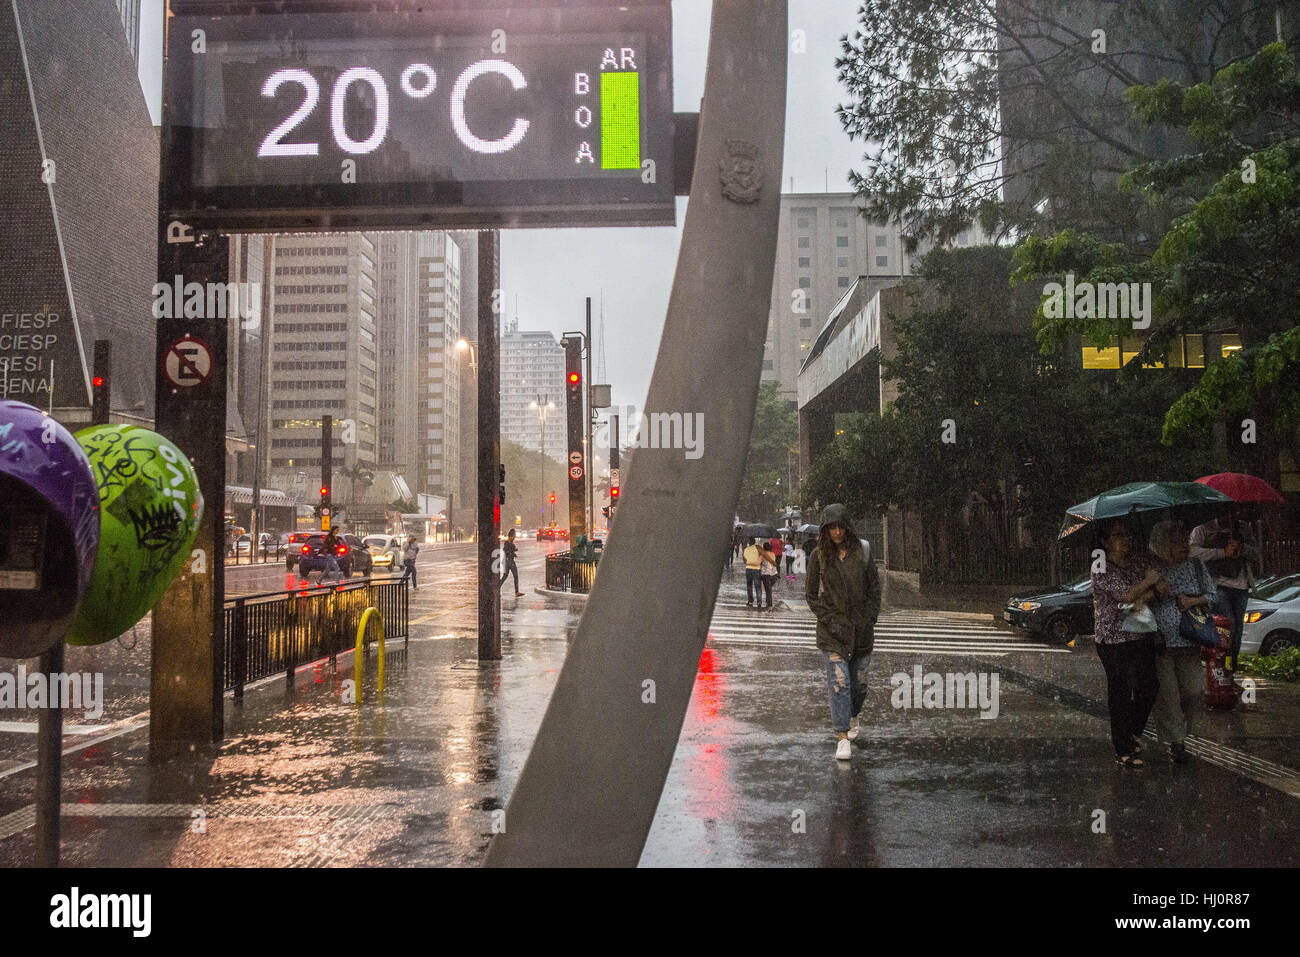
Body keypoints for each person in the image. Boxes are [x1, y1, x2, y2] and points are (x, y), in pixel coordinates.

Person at [806, 504, 881, 761]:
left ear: (847, 527)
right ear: (825, 530)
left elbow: (874, 590)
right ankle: (842, 737)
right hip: (833, 633)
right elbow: (811, 595)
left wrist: (870, 618)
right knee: (839, 683)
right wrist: (828, 618)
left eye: (840, 527)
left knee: (859, 684)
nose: (837, 532)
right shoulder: (818, 556)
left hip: (861, 631)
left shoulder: (862, 552)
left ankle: (852, 715)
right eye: (832, 528)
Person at [1090, 520, 1162, 768]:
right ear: (1105, 542)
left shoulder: (1135, 563)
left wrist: (1144, 592)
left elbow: (1156, 590)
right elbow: (1126, 594)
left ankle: (1129, 732)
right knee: (1120, 691)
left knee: (1149, 686)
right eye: (1118, 535)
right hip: (1112, 638)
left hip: (1139, 633)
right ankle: (1122, 747)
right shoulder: (1100, 565)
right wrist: (1145, 586)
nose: (1125, 540)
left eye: (1126, 534)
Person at [1147, 521, 1212, 764]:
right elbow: (1138, 601)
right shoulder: (1152, 569)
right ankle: (1177, 742)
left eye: (1184, 541)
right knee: (1169, 696)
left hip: (1191, 639)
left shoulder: (1195, 566)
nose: (1183, 546)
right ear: (1162, 545)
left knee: (1194, 692)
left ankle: (1186, 732)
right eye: (1175, 542)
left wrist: (1192, 601)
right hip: (1162, 642)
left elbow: (1212, 595)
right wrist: (1155, 590)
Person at [1189, 509, 1257, 666]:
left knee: (1238, 627)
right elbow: (1192, 552)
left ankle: (1231, 664)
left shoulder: (1243, 528)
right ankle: (1221, 663)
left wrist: (1242, 548)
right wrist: (1221, 552)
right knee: (1227, 624)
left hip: (1241, 585)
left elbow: (1256, 552)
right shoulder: (1204, 530)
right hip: (1218, 584)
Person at [499, 528, 523, 595]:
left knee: (505, 576)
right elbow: (506, 551)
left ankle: (497, 587)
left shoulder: (508, 543)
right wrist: (513, 551)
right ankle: (516, 592)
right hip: (510, 561)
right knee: (515, 576)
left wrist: (513, 551)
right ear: (511, 536)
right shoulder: (507, 543)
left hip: (507, 561)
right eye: (514, 536)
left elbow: (508, 550)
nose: (514, 537)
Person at [758, 539, 779, 609]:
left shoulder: (763, 555)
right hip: (774, 574)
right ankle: (768, 602)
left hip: (766, 574)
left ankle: (769, 604)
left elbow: (758, 563)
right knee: (769, 589)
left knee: (768, 590)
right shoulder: (773, 554)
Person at [743, 536, 762, 607]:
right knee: (758, 586)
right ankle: (759, 602)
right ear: (754, 542)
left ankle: (750, 601)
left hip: (748, 569)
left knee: (749, 586)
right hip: (757, 569)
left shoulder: (746, 549)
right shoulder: (758, 548)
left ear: (749, 542)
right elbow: (761, 558)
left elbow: (744, 560)